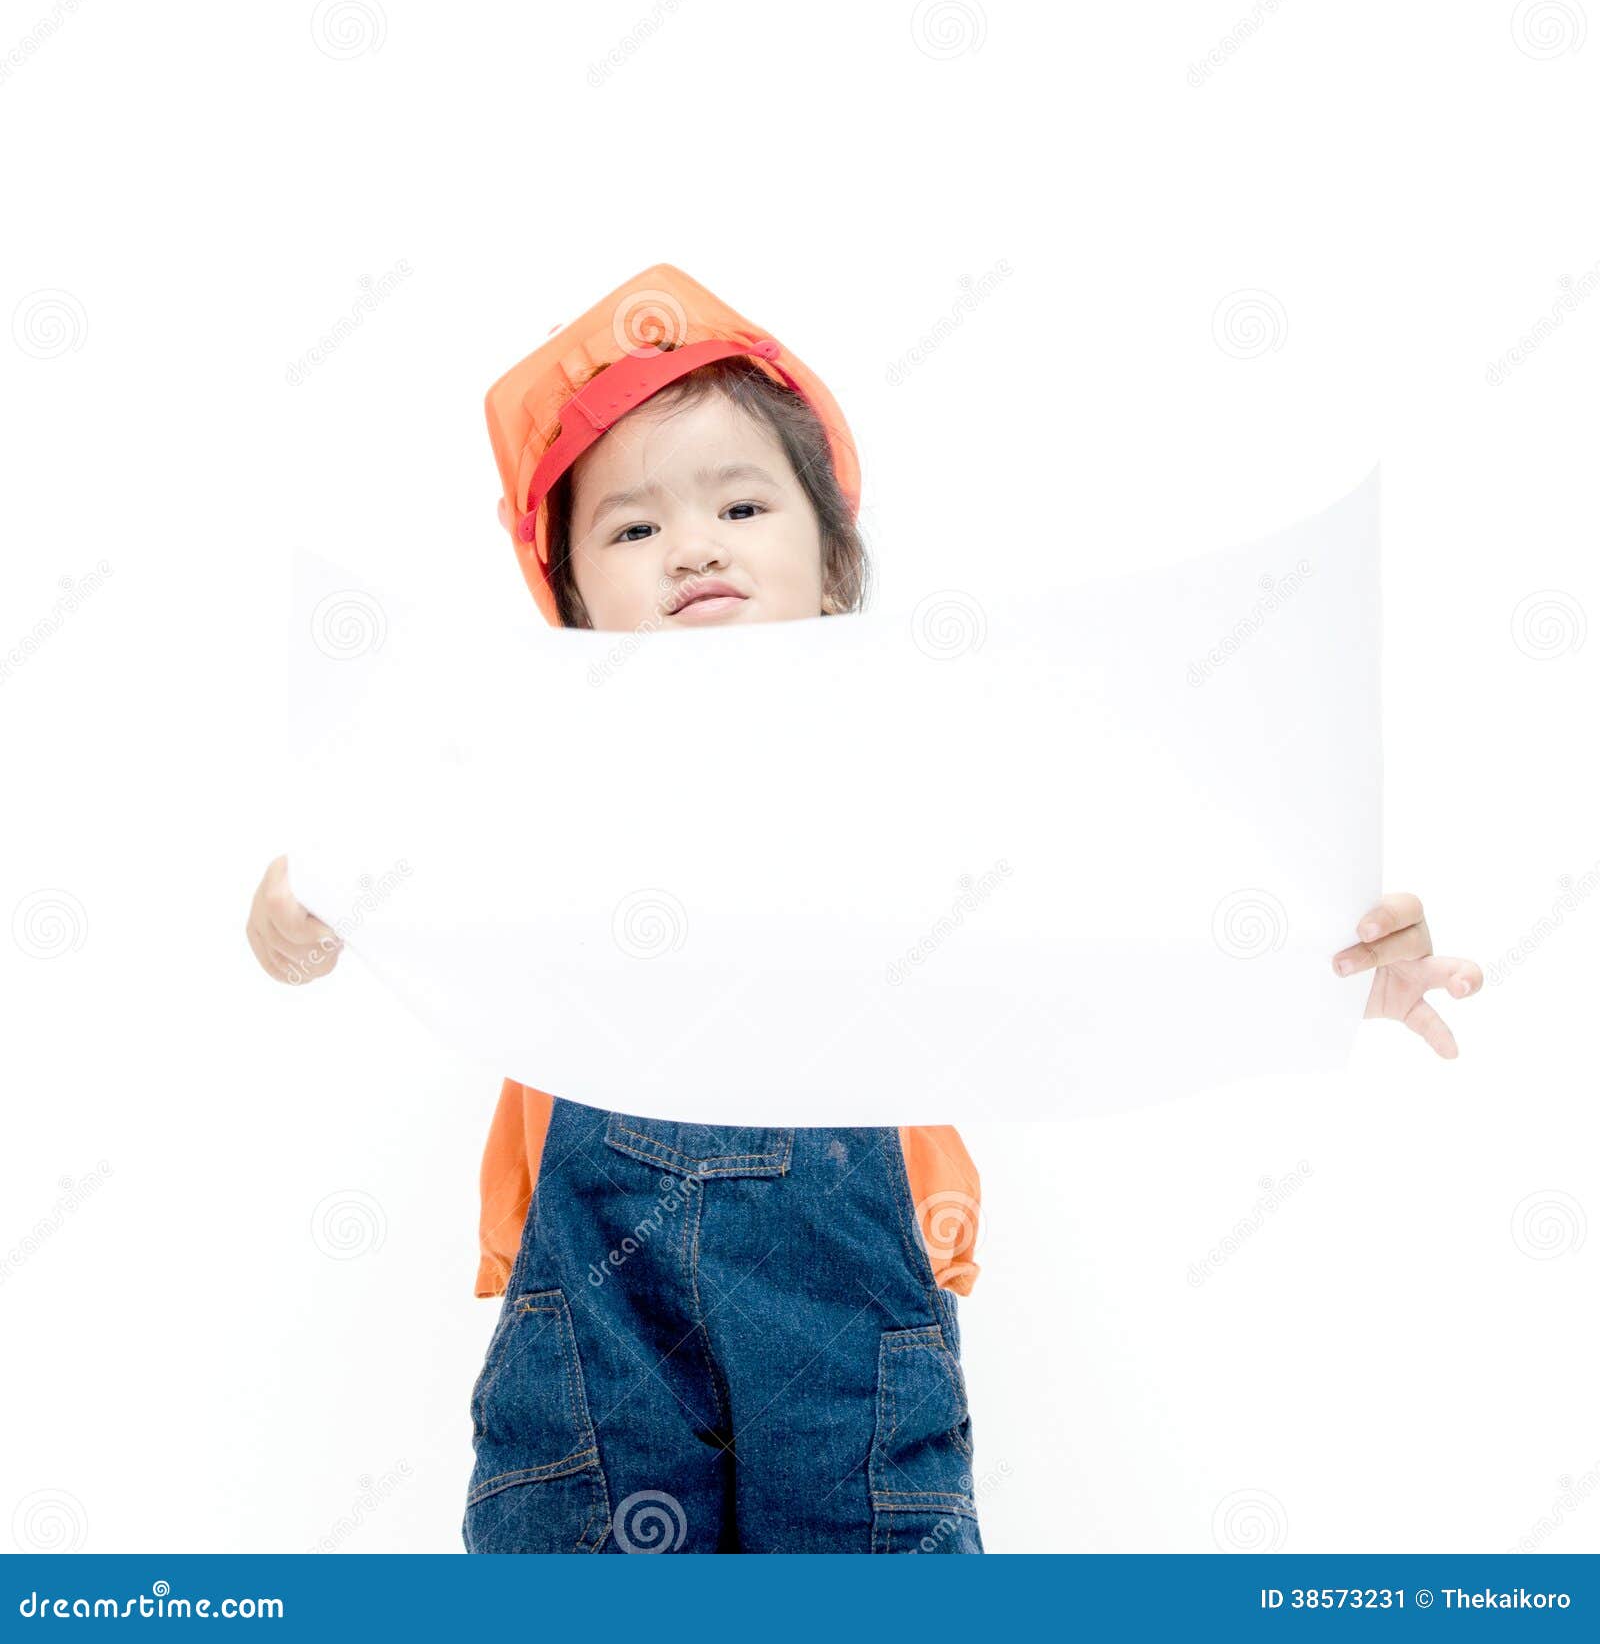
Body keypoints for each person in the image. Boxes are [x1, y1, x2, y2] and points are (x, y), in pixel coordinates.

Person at [244, 264, 1483, 1552]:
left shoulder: (921, 772)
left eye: (739, 502)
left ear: (834, 568)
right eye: (631, 530)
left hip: (848, 1342)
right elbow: (367, 872)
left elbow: (1119, 899)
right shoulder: (522, 777)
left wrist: (1325, 950)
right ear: (570, 613)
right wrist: (301, 900)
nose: (694, 545)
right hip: (595, 1329)